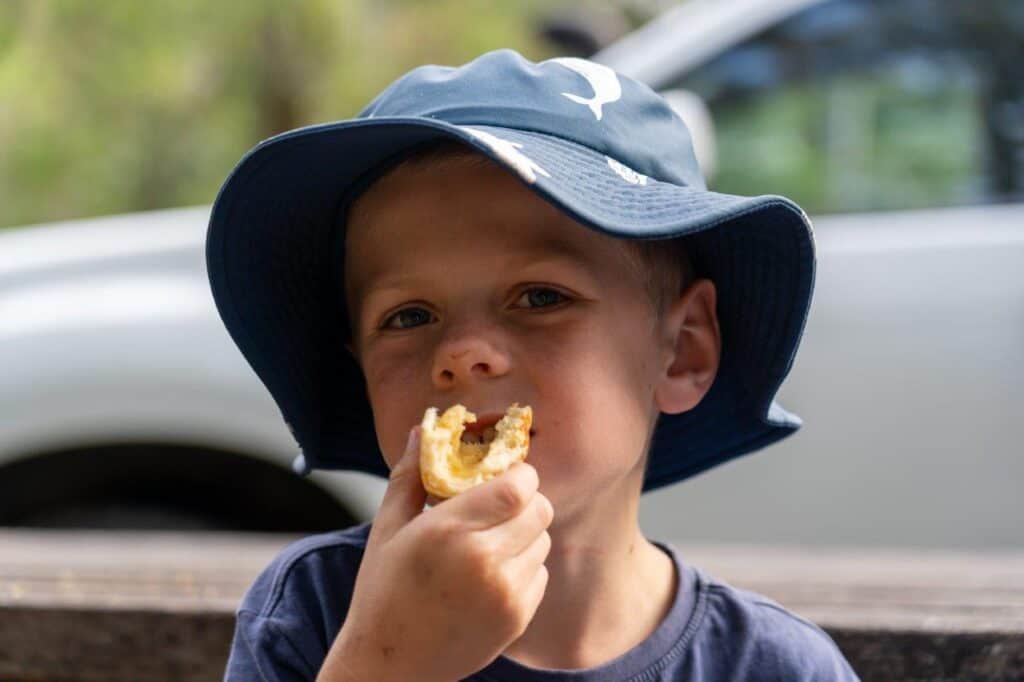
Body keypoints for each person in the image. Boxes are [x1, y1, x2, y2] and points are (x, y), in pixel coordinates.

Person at [208, 48, 859, 680]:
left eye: (541, 297)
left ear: (683, 348)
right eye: (408, 316)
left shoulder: (773, 666)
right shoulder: (315, 616)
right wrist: (386, 664)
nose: (463, 354)